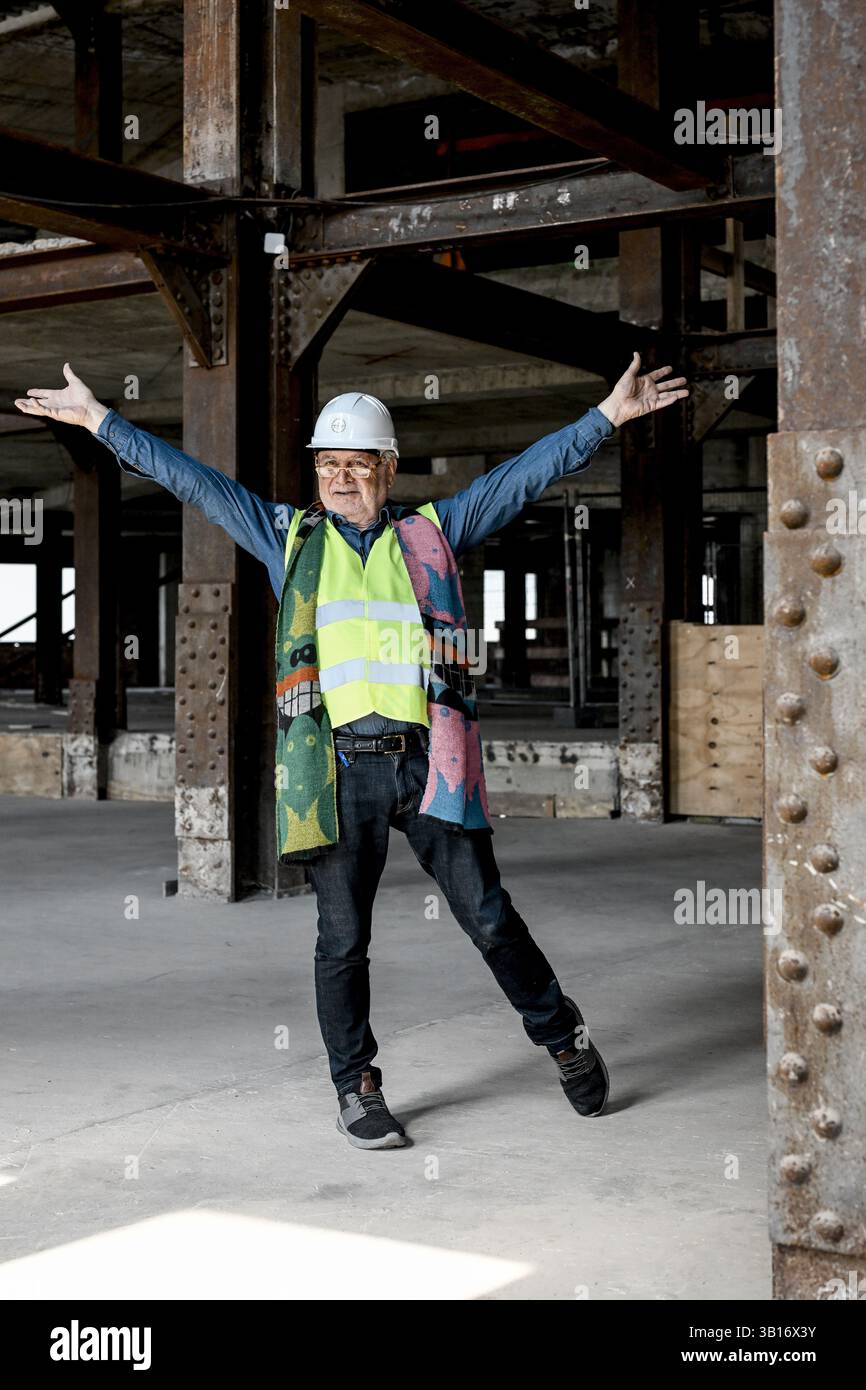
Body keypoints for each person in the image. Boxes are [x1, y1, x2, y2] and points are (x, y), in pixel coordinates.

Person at [15, 354, 688, 1149]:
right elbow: (193, 482)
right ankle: (356, 1083)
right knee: (342, 939)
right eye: (328, 465)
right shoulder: (288, 537)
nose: (340, 478)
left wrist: (604, 418)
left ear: (388, 468)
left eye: (357, 464)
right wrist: (102, 421)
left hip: (430, 763)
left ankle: (563, 1038)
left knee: (491, 918)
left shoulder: (432, 532)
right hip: (333, 772)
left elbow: (520, 478)